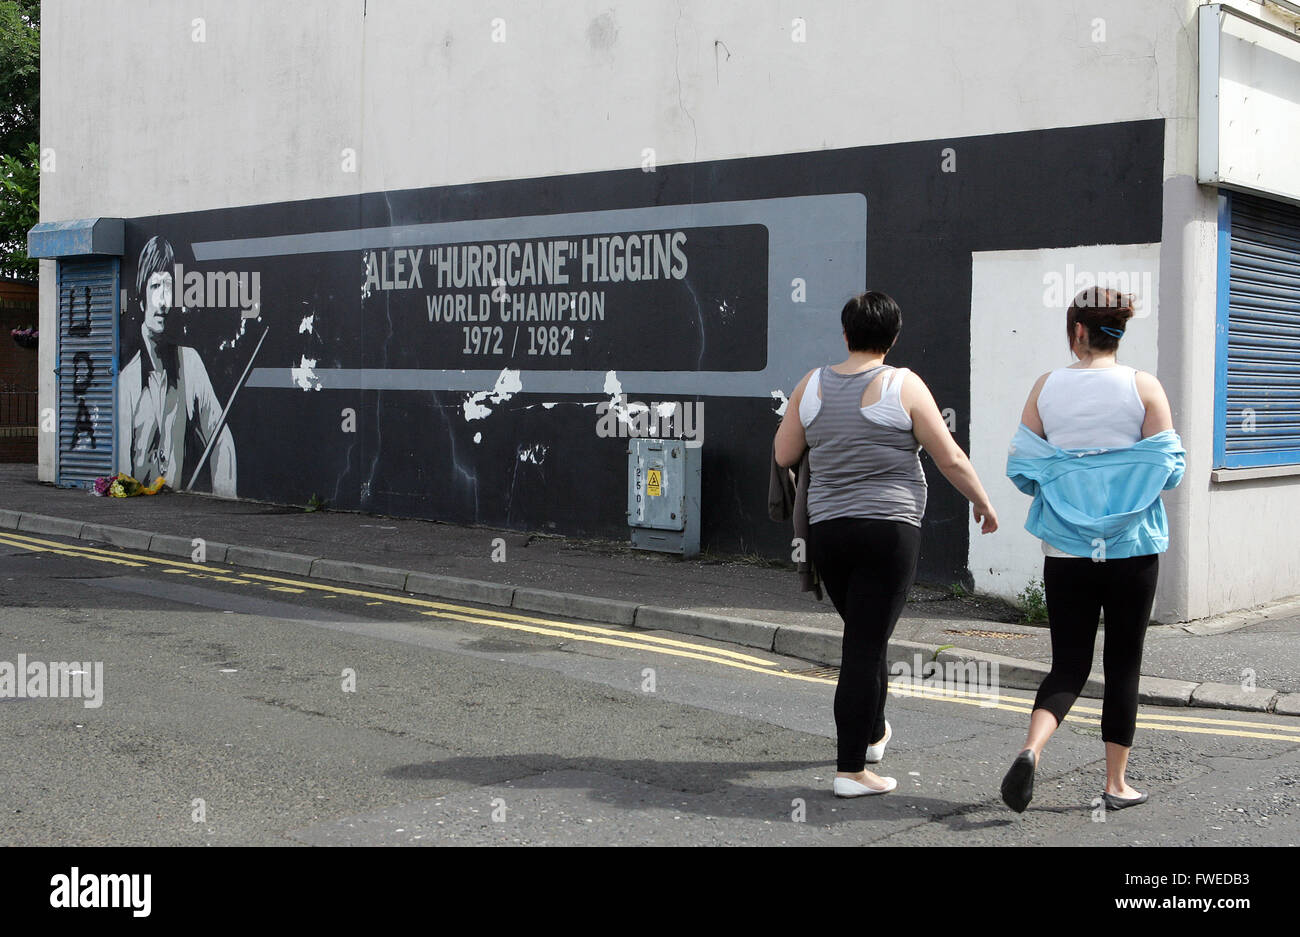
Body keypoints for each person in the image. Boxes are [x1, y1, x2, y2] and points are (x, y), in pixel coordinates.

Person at [774, 291, 998, 798]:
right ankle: (850, 770)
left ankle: (872, 736)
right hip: (888, 530)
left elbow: (785, 452)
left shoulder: (810, 385)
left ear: (846, 333)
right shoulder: (903, 385)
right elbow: (950, 459)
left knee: (865, 635)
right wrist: (982, 503)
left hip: (828, 531)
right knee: (863, 646)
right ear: (893, 337)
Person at [1000, 287, 1184, 813]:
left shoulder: (1047, 386)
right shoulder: (1143, 386)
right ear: (1117, 330)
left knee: (1068, 665)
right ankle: (1115, 784)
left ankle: (1032, 750)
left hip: (1066, 551)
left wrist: (1068, 480)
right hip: (1132, 550)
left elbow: (1021, 468)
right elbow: (1170, 468)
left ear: (1077, 331)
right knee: (1123, 665)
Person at [116, 235, 237, 497]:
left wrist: (224, 497)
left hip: (175, 509)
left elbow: (221, 439)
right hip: (140, 509)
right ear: (141, 297)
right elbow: (122, 471)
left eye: (169, 287)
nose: (163, 300)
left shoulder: (189, 363)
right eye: (156, 286)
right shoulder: (126, 382)